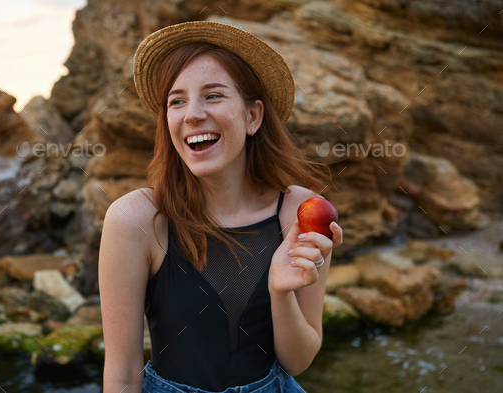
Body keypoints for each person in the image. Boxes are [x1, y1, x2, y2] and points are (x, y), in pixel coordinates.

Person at [99, 21, 343, 393]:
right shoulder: (135, 220)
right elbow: (121, 373)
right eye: (176, 101)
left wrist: (280, 292)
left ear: (253, 117)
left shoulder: (301, 212)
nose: (191, 114)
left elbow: (298, 360)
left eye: (213, 95)